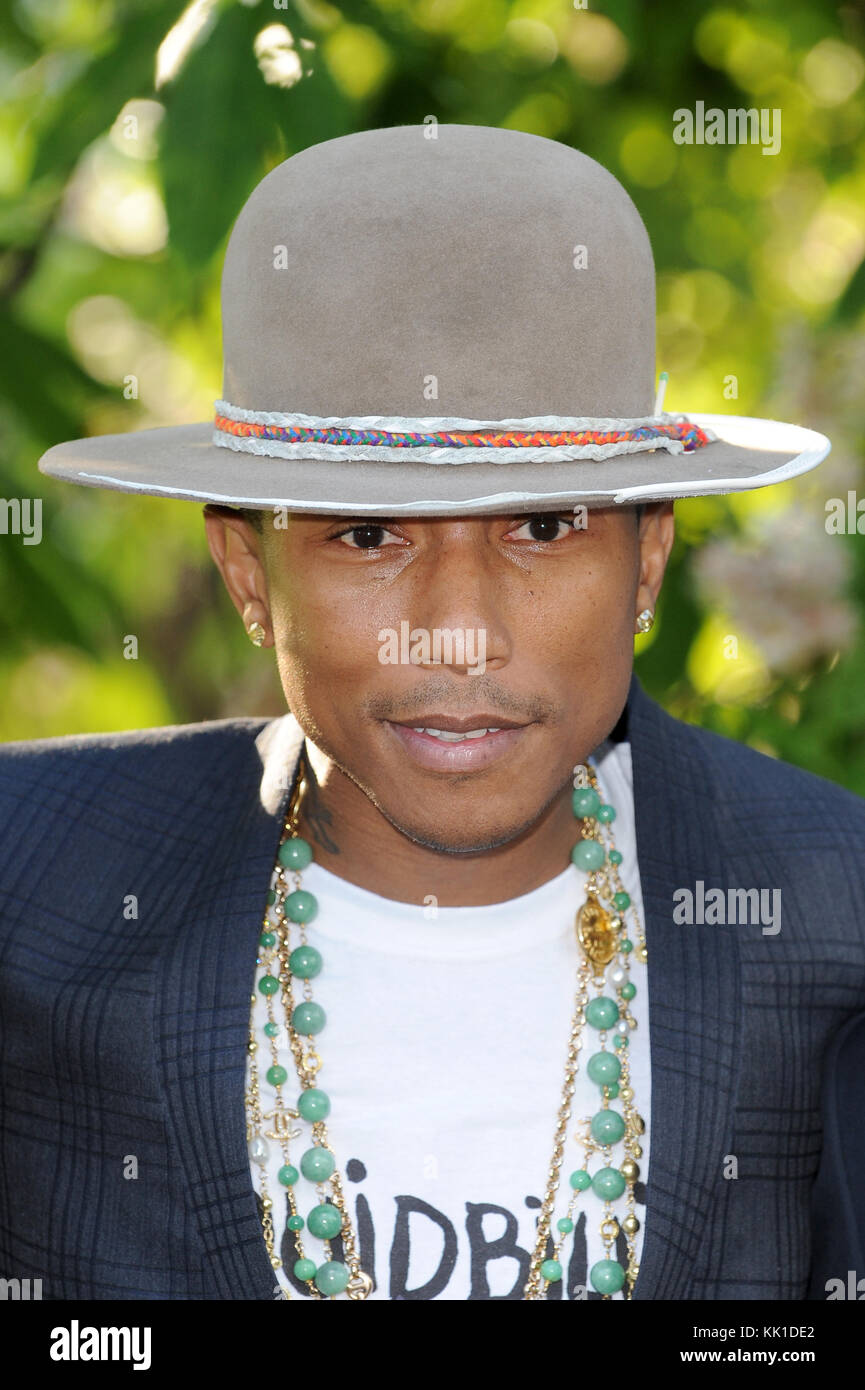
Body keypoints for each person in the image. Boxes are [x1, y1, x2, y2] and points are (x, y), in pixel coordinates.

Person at [1, 123, 862, 1302]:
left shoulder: (828, 919)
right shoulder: (31, 886)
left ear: (648, 560)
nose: (458, 630)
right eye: (367, 535)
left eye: (544, 527)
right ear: (250, 577)